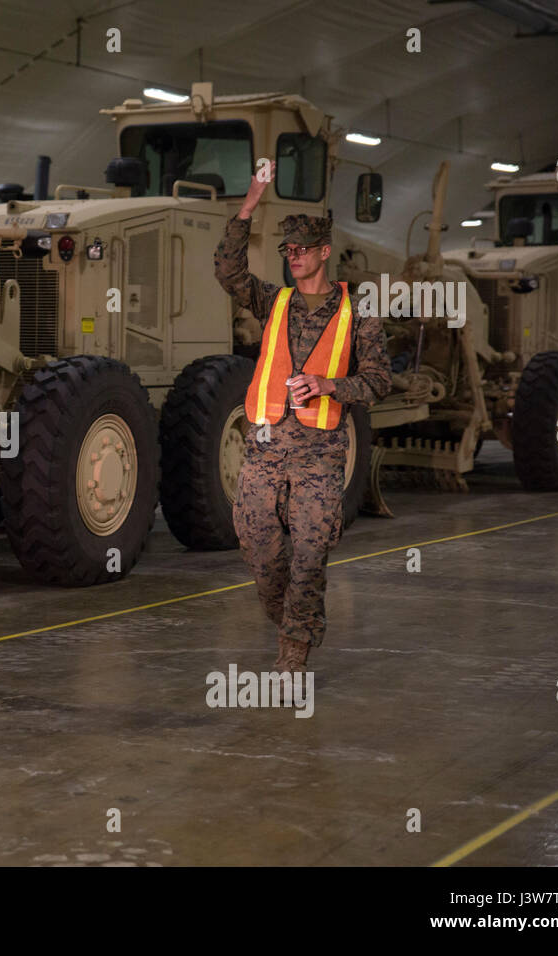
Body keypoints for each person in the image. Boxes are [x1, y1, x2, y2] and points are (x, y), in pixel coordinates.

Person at [214, 161, 390, 672]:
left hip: (319, 457)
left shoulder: (359, 315)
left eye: (302, 250)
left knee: (310, 558)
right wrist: (248, 205)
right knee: (261, 554)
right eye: (288, 251)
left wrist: (329, 385)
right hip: (265, 450)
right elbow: (229, 272)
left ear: (324, 253)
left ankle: (292, 653)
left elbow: (379, 380)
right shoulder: (274, 302)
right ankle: (302, 619)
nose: (293, 258)